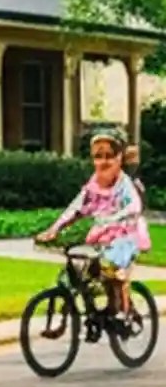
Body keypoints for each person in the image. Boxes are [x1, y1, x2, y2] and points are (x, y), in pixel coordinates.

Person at [36, 131, 150, 320]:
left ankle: (123, 309)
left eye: (109, 157)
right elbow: (76, 208)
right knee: (87, 272)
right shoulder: (93, 186)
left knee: (114, 270)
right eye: (98, 157)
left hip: (125, 234)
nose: (103, 162)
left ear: (119, 158)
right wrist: (54, 229)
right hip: (103, 235)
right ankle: (94, 310)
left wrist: (113, 218)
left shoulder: (124, 185)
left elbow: (134, 207)